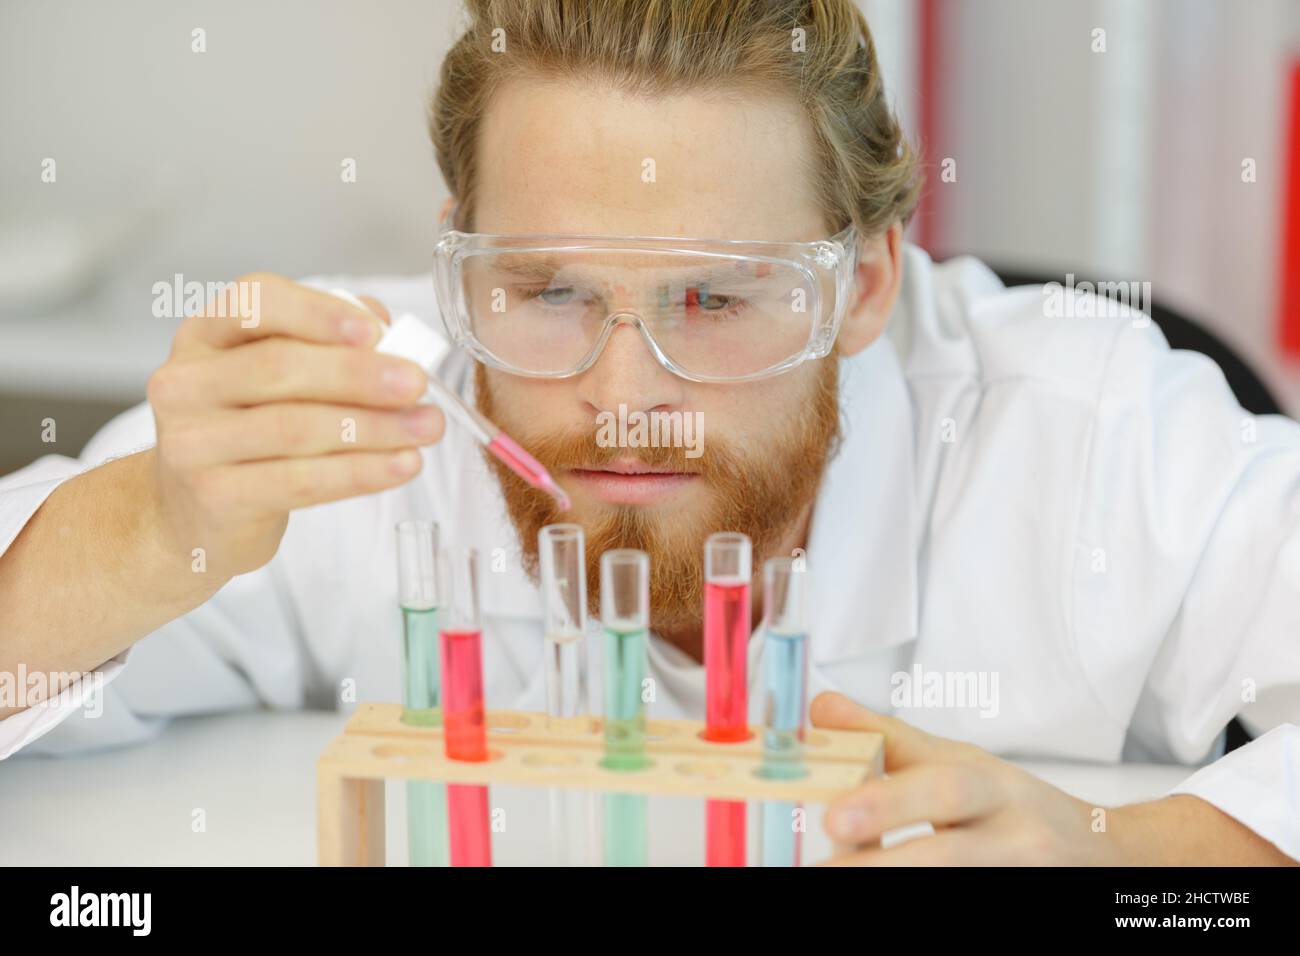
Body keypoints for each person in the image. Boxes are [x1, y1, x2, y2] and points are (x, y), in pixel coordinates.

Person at [0, 0, 1296, 865]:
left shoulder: (1087, 440)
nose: (621, 392)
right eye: (550, 292)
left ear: (863, 284)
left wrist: (1116, 857)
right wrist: (149, 530)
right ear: (463, 261)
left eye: (717, 299)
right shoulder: (370, 415)